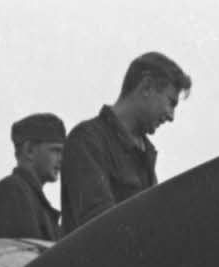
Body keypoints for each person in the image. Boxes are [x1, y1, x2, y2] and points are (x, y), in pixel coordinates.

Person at [60, 52, 191, 234]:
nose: (171, 116)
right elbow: (100, 229)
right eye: (171, 103)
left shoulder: (145, 152)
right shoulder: (87, 140)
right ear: (147, 86)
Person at [0, 113, 66, 242]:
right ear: (29, 150)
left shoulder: (30, 198)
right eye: (55, 151)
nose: (62, 159)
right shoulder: (12, 191)